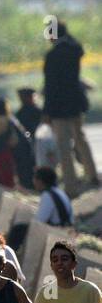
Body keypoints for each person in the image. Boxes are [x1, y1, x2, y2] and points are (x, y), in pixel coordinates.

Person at [43, 20, 98, 196]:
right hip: (75, 102)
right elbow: (77, 44)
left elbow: (50, 86)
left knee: (64, 146)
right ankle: (92, 175)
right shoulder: (74, 51)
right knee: (81, 139)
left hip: (59, 106)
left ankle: (71, 187)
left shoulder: (52, 56)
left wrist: (46, 111)